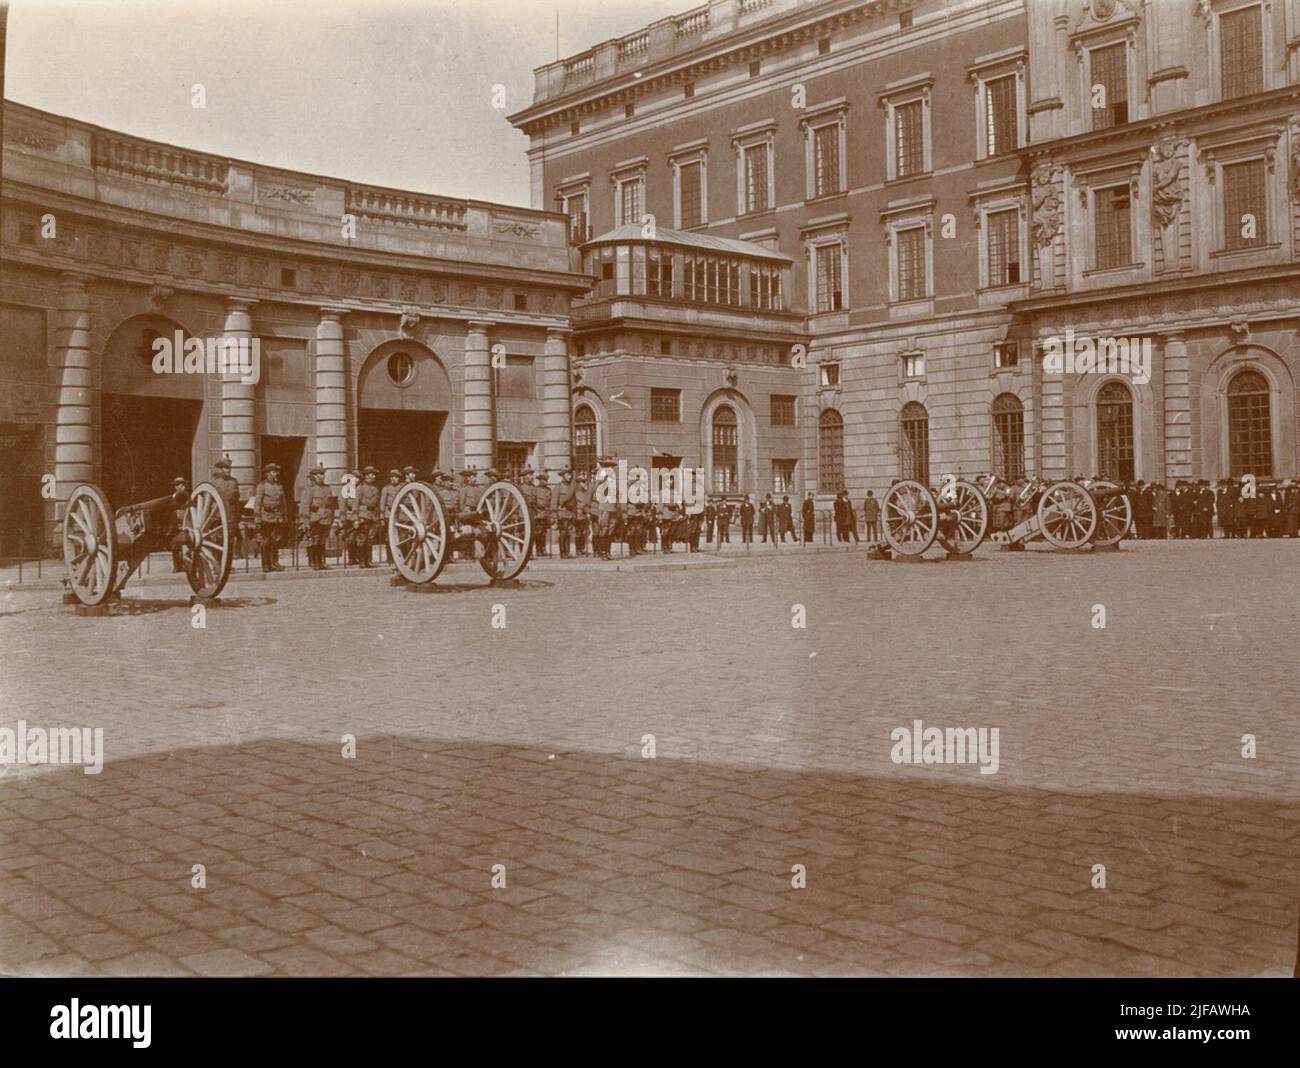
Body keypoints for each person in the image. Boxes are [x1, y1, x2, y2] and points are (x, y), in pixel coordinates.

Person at [297, 465, 334, 570]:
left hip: (326, 519)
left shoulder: (328, 488)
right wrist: (305, 522)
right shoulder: (310, 490)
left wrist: (332, 518)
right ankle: (315, 562)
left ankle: (322, 562)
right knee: (315, 540)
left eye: (323, 474)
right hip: (315, 519)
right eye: (319, 474)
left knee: (322, 541)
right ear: (314, 476)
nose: (321, 477)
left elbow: (331, 504)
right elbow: (305, 506)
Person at [253, 462, 288, 572]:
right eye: (273, 472)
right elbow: (257, 503)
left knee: (275, 540)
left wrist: (284, 515)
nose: (276, 474)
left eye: (276, 472)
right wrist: (257, 519)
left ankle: (274, 562)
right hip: (266, 517)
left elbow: (283, 502)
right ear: (268, 473)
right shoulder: (262, 486)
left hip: (277, 517)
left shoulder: (279, 486)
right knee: (266, 541)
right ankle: (266, 564)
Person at [354, 466, 381, 567]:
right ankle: (362, 561)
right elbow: (355, 504)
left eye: (374, 474)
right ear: (366, 476)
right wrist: (355, 519)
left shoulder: (375, 488)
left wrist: (378, 518)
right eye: (371, 474)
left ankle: (368, 560)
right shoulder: (360, 488)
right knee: (362, 539)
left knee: (370, 539)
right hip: (363, 516)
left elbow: (376, 504)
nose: (373, 476)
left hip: (373, 516)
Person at [171, 476, 189, 572]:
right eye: (178, 485)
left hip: (185, 520)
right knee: (175, 545)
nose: (181, 487)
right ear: (175, 487)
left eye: (182, 485)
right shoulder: (174, 496)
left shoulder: (187, 495)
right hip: (176, 521)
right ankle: (176, 565)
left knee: (186, 544)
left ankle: (185, 564)